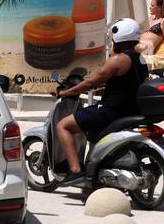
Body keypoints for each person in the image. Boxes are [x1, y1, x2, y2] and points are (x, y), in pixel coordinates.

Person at [53, 18, 148, 185]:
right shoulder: (140, 60)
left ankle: (75, 171)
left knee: (63, 125)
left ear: (117, 39)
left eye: (112, 38)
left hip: (110, 111)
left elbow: (91, 82)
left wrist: (65, 92)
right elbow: (127, 83)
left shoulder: (118, 60)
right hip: (131, 110)